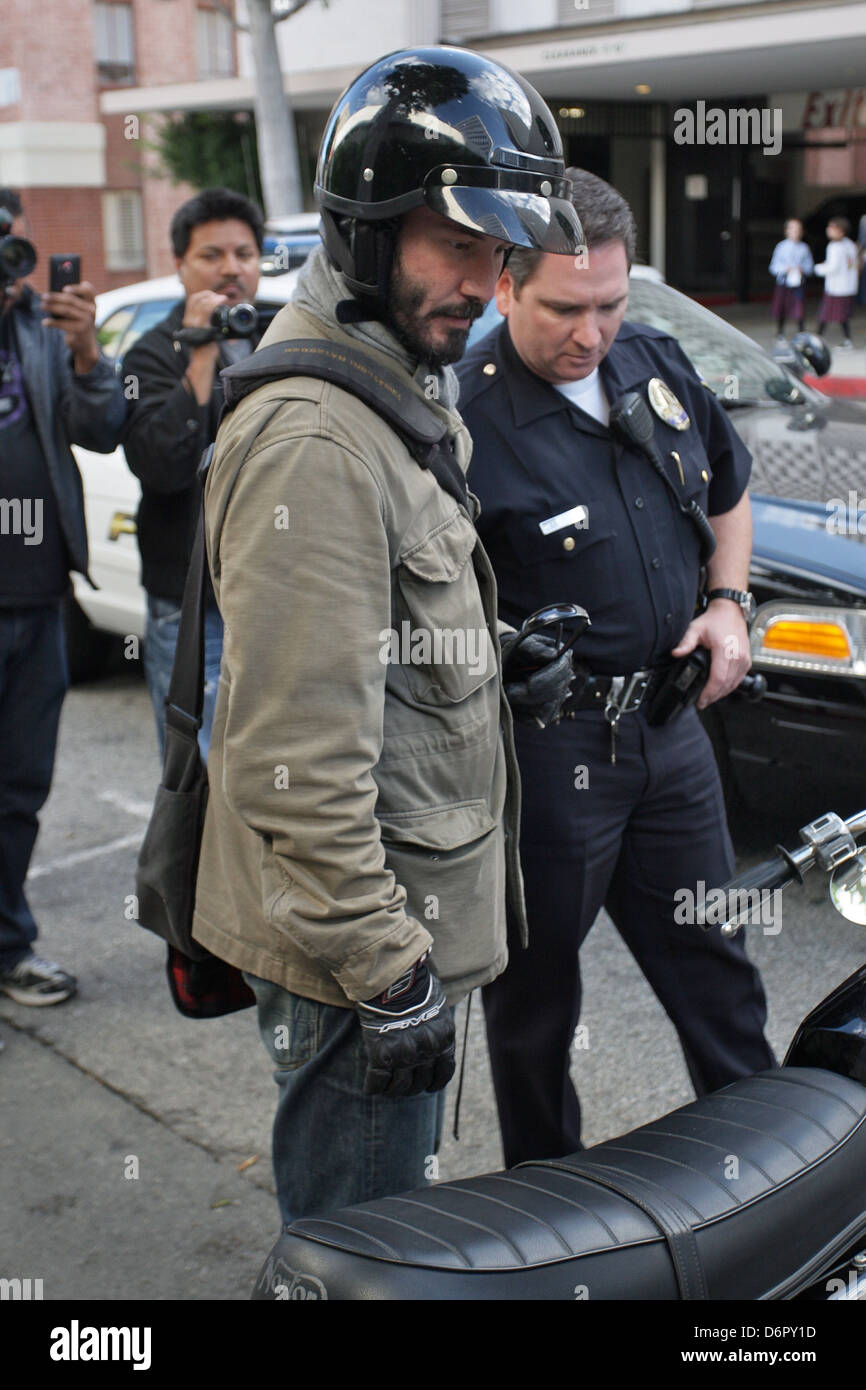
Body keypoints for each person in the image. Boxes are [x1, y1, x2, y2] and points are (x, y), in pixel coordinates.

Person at [190, 46, 583, 1225]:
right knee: (359, 1252)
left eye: (501, 253)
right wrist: (388, 973)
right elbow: (293, 758)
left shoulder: (393, 373)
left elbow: (372, 629)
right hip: (356, 954)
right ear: (366, 228)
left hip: (382, 926)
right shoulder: (316, 435)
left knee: (383, 1224)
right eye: (459, 244)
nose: (487, 281)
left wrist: (480, 655)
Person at [456, 169, 776, 1168]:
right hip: (548, 758)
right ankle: (547, 1213)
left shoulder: (652, 358)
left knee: (716, 972)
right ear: (503, 286)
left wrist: (727, 606)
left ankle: (765, 1184)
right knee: (534, 1001)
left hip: (671, 733)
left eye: (607, 304)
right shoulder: (462, 421)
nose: (588, 335)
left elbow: (725, 494)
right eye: (562, 308)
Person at [0, 189, 126, 1005]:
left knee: (18, 789)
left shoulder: (38, 333)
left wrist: (85, 351)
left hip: (37, 598)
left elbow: (103, 426)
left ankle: (11, 946)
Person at [122, 188, 265, 757]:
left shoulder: (275, 337)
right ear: (179, 263)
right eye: (212, 255)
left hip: (269, 595)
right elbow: (163, 466)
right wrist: (200, 351)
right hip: (192, 609)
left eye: (245, 253)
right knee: (199, 777)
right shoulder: (149, 356)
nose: (231, 268)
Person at [815, 216, 858, 348]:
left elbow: (833, 267)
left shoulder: (834, 246)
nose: (828, 230)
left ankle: (817, 339)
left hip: (836, 288)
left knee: (825, 314)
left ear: (840, 231)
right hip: (848, 286)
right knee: (842, 316)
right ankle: (846, 339)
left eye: (832, 227)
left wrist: (818, 268)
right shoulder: (850, 244)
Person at [768, 217, 813, 341]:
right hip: (783, 283)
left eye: (798, 229)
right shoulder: (781, 247)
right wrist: (784, 269)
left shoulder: (804, 248)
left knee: (799, 308)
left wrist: (802, 269)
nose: (796, 232)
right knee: (781, 308)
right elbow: (773, 267)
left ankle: (801, 332)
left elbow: (810, 267)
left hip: (798, 284)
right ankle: (780, 332)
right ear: (787, 231)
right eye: (793, 229)